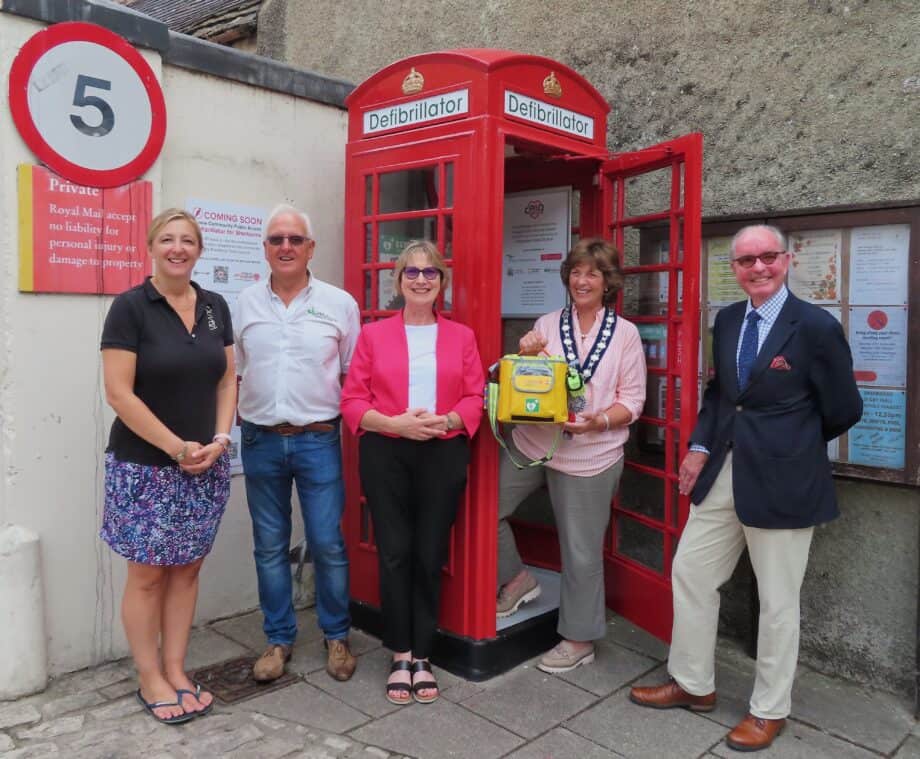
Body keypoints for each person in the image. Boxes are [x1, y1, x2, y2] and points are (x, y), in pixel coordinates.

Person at [630, 224, 863, 752]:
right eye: (745, 261)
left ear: (787, 260)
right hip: (724, 472)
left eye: (767, 258)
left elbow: (845, 407)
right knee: (691, 572)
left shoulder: (816, 326)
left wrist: (793, 443)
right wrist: (699, 447)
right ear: (733, 269)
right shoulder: (730, 319)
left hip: (784, 480)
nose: (757, 268)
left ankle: (768, 709)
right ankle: (693, 683)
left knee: (778, 601)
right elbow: (720, 396)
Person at [100, 208, 236, 724]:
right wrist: (178, 448)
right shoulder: (131, 308)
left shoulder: (214, 306)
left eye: (188, 241)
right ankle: (148, 675)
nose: (178, 248)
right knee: (149, 576)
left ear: (199, 250)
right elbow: (119, 393)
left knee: (187, 570)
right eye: (168, 239)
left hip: (208, 462)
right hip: (145, 469)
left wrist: (221, 438)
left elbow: (226, 379)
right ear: (151, 247)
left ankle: (176, 668)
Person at [341, 240, 484, 705]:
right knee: (395, 553)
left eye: (430, 273)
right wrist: (395, 423)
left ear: (442, 282)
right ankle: (400, 653)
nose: (421, 279)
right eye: (411, 272)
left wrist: (442, 423)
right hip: (386, 451)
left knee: (428, 553)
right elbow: (353, 401)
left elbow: (475, 397)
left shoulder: (461, 337)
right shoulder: (373, 335)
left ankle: (423, 654)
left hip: (441, 452)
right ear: (398, 281)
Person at [496, 238, 647, 674]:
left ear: (607, 282)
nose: (582, 281)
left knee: (580, 553)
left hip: (591, 455)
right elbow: (524, 384)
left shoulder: (624, 334)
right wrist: (524, 357)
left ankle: (579, 639)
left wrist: (597, 421)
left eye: (593, 274)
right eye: (577, 272)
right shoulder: (545, 324)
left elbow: (633, 401)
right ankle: (517, 579)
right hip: (534, 444)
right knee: (483, 509)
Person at [234, 205, 360, 683]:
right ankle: (278, 638)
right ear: (265, 248)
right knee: (268, 546)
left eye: (294, 239)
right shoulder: (243, 302)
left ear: (311, 248)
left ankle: (337, 636)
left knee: (328, 542)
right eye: (275, 239)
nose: (285, 247)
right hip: (261, 439)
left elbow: (352, 374)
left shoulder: (339, 303)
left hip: (318, 439)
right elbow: (238, 370)